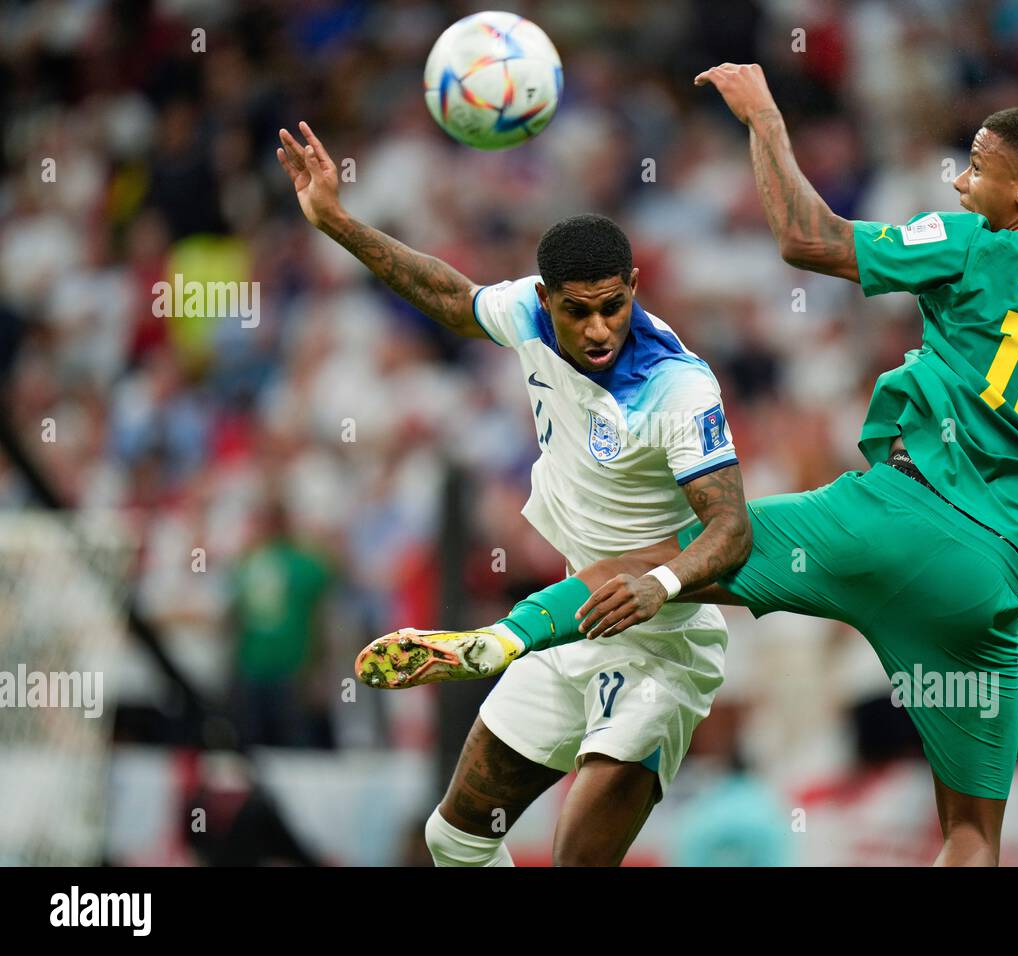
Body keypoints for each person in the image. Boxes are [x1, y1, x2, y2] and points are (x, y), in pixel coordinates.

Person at [377, 66, 1018, 867]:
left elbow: (804, 239)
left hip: (879, 522)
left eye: (979, 164)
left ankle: (498, 642)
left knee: (680, 552)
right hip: (985, 586)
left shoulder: (972, 242)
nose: (962, 175)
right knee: (974, 833)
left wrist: (764, 121)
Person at [276, 122, 751, 866]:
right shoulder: (526, 313)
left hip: (661, 643)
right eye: (577, 310)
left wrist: (659, 584)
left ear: (633, 289)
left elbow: (732, 531)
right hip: (568, 623)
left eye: (612, 306)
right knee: (455, 838)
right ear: (547, 299)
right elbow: (447, 294)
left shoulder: (677, 389)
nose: (598, 328)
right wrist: (336, 220)